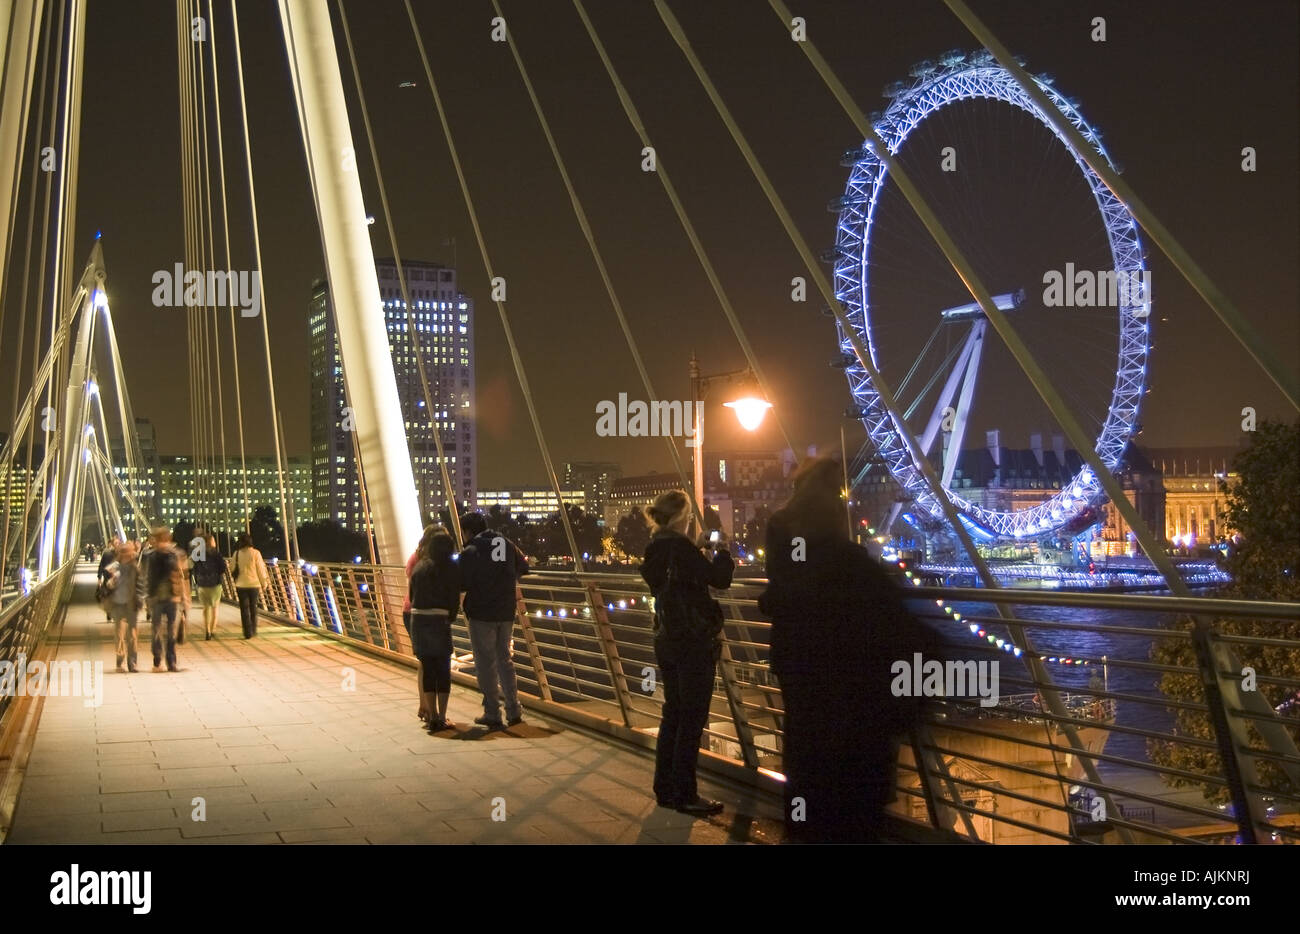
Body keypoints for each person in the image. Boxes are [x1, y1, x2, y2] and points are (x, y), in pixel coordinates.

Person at [759, 457, 940, 843]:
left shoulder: (791, 587)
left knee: (806, 797)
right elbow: (918, 645)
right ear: (838, 519)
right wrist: (903, 708)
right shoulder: (858, 575)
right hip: (860, 747)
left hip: (808, 718)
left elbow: (777, 601)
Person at [640, 489, 734, 817]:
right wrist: (721, 552)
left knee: (673, 713)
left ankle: (665, 789)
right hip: (693, 641)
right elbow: (719, 580)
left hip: (665, 638)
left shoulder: (654, 548)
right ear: (683, 519)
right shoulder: (681, 548)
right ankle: (686, 793)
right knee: (692, 718)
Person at [457, 512, 530, 729]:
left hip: (481, 613)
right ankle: (514, 709)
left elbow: (461, 582)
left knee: (485, 663)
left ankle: (492, 712)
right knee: (505, 660)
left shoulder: (471, 550)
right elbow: (524, 566)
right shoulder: (505, 543)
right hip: (506, 610)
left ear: (468, 531)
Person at [408, 526, 462, 733]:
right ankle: (441, 715)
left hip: (418, 620)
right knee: (443, 669)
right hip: (439, 620)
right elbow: (453, 597)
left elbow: (412, 595)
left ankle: (431, 716)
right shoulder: (450, 568)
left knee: (429, 667)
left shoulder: (420, 567)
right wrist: (450, 616)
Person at [143, 526, 191, 672]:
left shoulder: (177, 555)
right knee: (156, 631)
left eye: (162, 540)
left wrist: (185, 598)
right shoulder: (150, 556)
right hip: (156, 598)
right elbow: (146, 578)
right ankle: (157, 661)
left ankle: (171, 662)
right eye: (158, 540)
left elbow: (185, 577)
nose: (160, 543)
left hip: (173, 597)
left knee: (172, 632)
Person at [105, 540, 148, 672]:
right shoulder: (114, 567)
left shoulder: (135, 568)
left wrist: (140, 600)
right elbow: (108, 586)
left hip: (131, 605)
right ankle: (120, 659)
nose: (127, 556)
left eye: (129, 553)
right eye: (124, 553)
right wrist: (112, 580)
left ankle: (132, 662)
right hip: (118, 604)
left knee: (133, 635)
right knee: (119, 634)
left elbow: (141, 586)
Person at [401, 544, 427, 722]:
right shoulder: (432, 563)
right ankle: (431, 710)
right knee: (432, 662)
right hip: (424, 613)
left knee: (424, 662)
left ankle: (424, 706)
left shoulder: (414, 559)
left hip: (409, 611)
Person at [231, 533, 271, 638]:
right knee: (253, 607)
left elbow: (231, 568)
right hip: (254, 584)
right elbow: (260, 570)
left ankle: (247, 632)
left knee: (244, 609)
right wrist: (264, 583)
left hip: (241, 584)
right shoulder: (256, 553)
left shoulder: (237, 554)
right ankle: (253, 629)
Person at [192, 533, 228, 640]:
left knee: (205, 608)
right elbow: (222, 568)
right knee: (215, 608)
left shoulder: (198, 554)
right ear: (211, 542)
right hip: (215, 584)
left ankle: (207, 630)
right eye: (213, 540)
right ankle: (213, 630)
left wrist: (198, 580)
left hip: (202, 584)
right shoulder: (216, 554)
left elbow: (194, 569)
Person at [98, 536, 121, 622]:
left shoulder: (121, 553)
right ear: (112, 544)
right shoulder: (106, 553)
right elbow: (101, 565)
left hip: (118, 579)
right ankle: (109, 612)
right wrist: (99, 577)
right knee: (108, 596)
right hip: (108, 579)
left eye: (118, 543)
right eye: (116, 543)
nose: (117, 545)